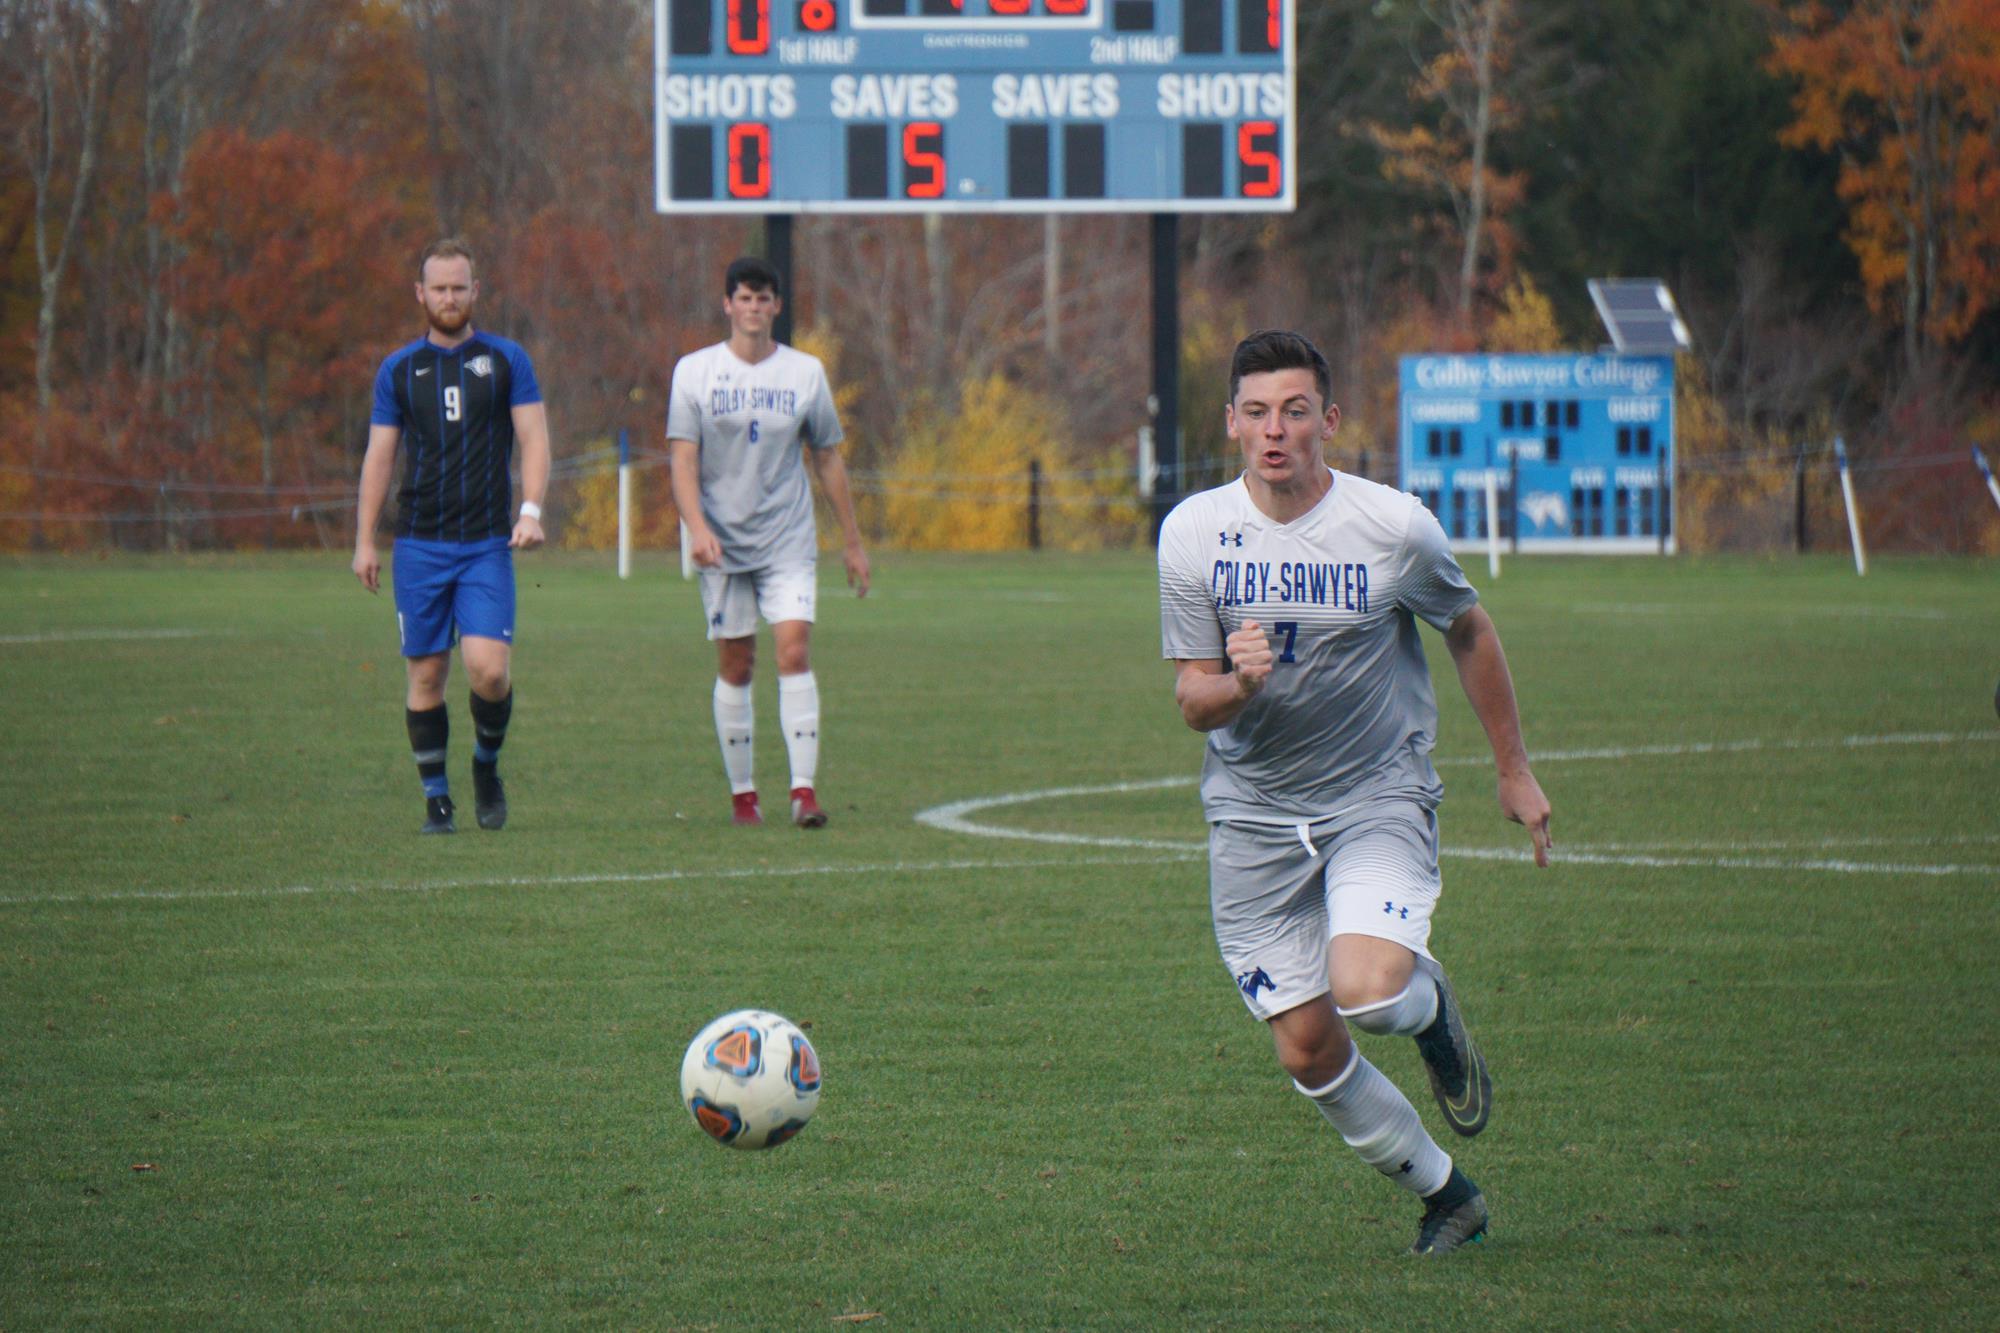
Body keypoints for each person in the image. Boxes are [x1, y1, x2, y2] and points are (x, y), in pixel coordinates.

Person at [1157, 329, 1552, 1256]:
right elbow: (1191, 700)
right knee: (1307, 1047)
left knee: (1369, 992)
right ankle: (1449, 1195)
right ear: (1231, 424)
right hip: (1251, 816)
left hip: (1376, 793)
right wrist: (1239, 684)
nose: (1274, 430)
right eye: (1256, 412)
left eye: (1295, 410)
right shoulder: (1193, 533)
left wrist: (1513, 766)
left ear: (1329, 420)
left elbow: (1469, 628)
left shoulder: (1393, 525)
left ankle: (1432, 1009)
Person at [352, 237, 551, 835]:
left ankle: (486, 766)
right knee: (427, 676)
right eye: (437, 288)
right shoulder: (398, 370)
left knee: (489, 671)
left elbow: (534, 439)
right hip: (419, 544)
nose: (448, 297)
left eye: (458, 287)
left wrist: (532, 509)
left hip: (487, 543)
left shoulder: (507, 360)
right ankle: (437, 800)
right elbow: (380, 457)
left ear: (475, 291)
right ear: (421, 294)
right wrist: (365, 538)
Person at [667, 255, 870, 828]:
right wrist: (698, 529)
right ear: (727, 305)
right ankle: (744, 796)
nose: (754, 308)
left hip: (787, 537)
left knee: (794, 650)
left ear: (777, 307)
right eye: (744, 297)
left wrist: (851, 542)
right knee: (737, 662)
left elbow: (827, 456)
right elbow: (682, 461)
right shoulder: (695, 373)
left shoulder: (805, 374)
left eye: (764, 298)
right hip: (721, 543)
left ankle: (803, 792)